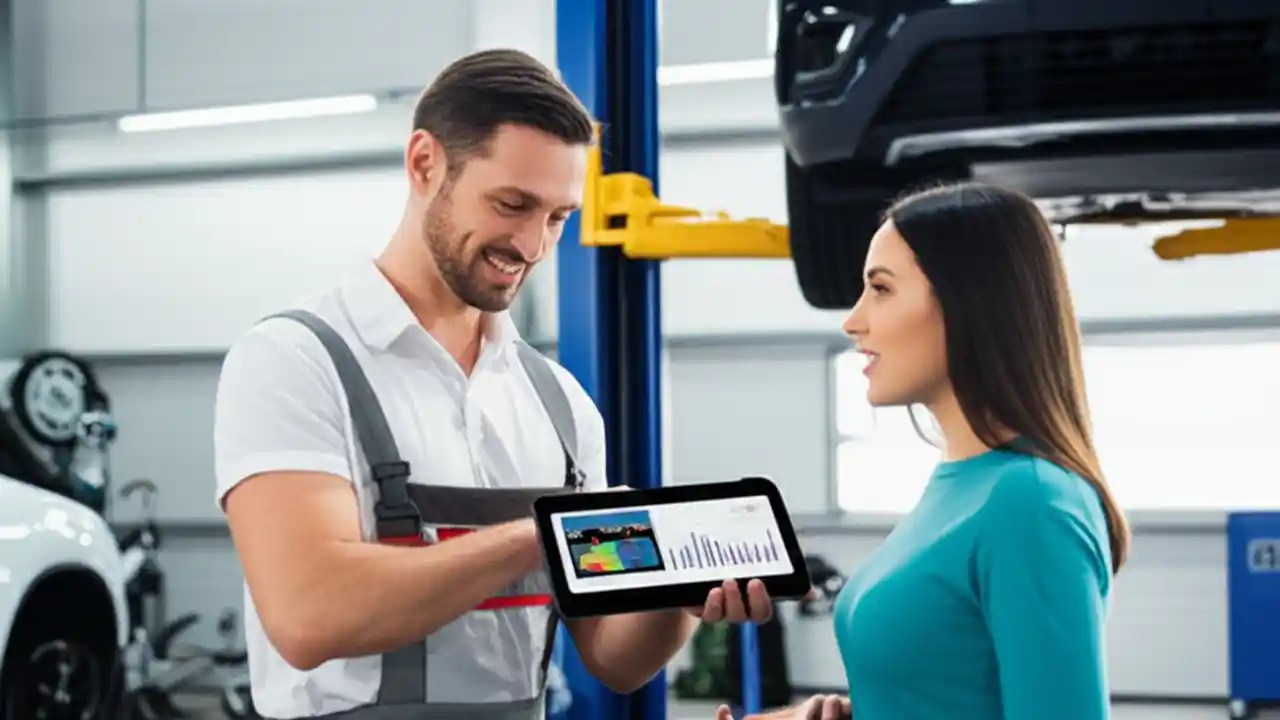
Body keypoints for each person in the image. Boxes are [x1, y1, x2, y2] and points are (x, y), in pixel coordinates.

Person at [214, 48, 775, 720]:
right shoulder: (295, 361)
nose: (534, 245)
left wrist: (678, 594)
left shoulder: (558, 404)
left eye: (559, 217)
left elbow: (612, 658)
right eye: (512, 204)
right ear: (425, 163)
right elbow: (309, 613)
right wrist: (544, 534)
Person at [717, 181, 1130, 720]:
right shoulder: (964, 484)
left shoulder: (1031, 502)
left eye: (881, 289)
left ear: (967, 301)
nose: (853, 320)